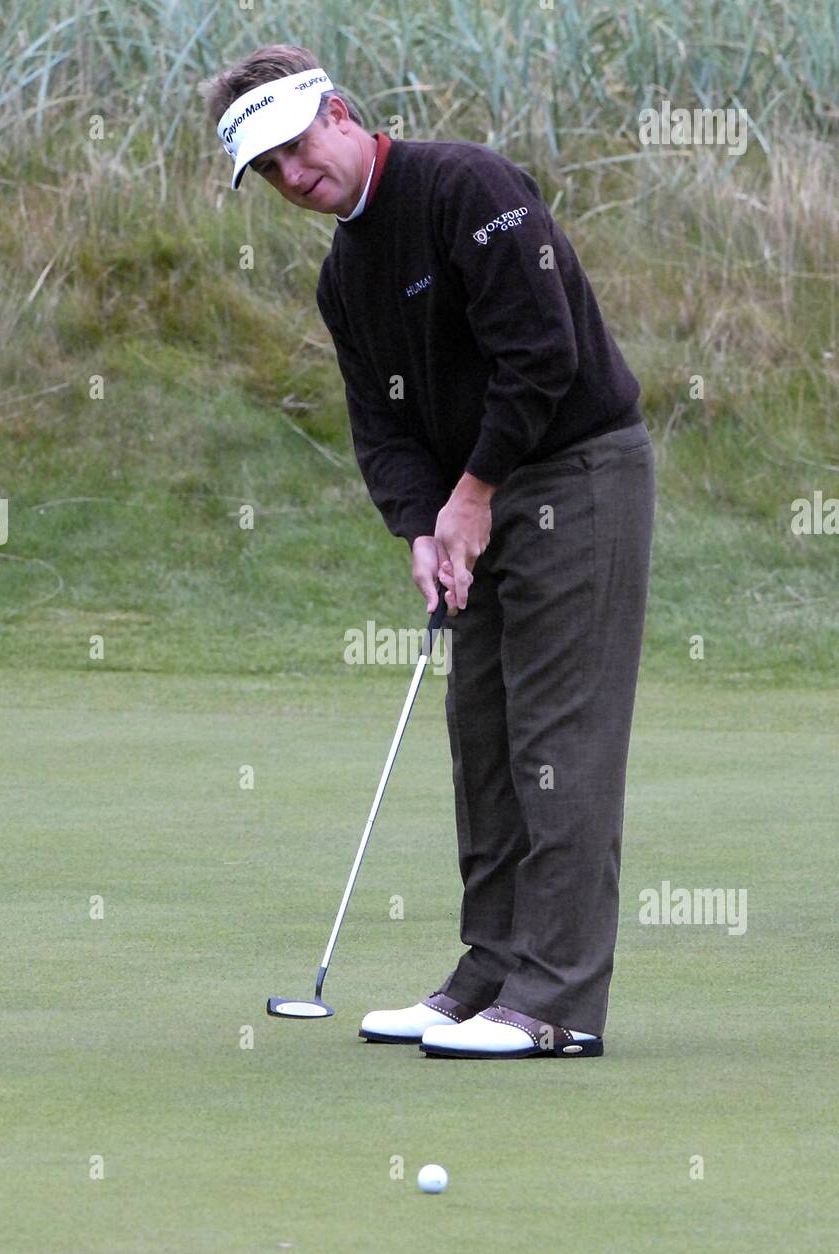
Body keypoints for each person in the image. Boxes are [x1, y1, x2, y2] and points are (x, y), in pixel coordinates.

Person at [202, 45, 656, 1060]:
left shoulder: (467, 187)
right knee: (483, 738)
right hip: (472, 497)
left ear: (340, 112)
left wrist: (476, 492)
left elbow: (543, 352)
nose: (292, 179)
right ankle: (486, 975)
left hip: (576, 476)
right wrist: (422, 526)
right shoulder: (344, 273)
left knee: (557, 742)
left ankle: (556, 1004)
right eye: (267, 172)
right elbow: (380, 425)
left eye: (293, 150)